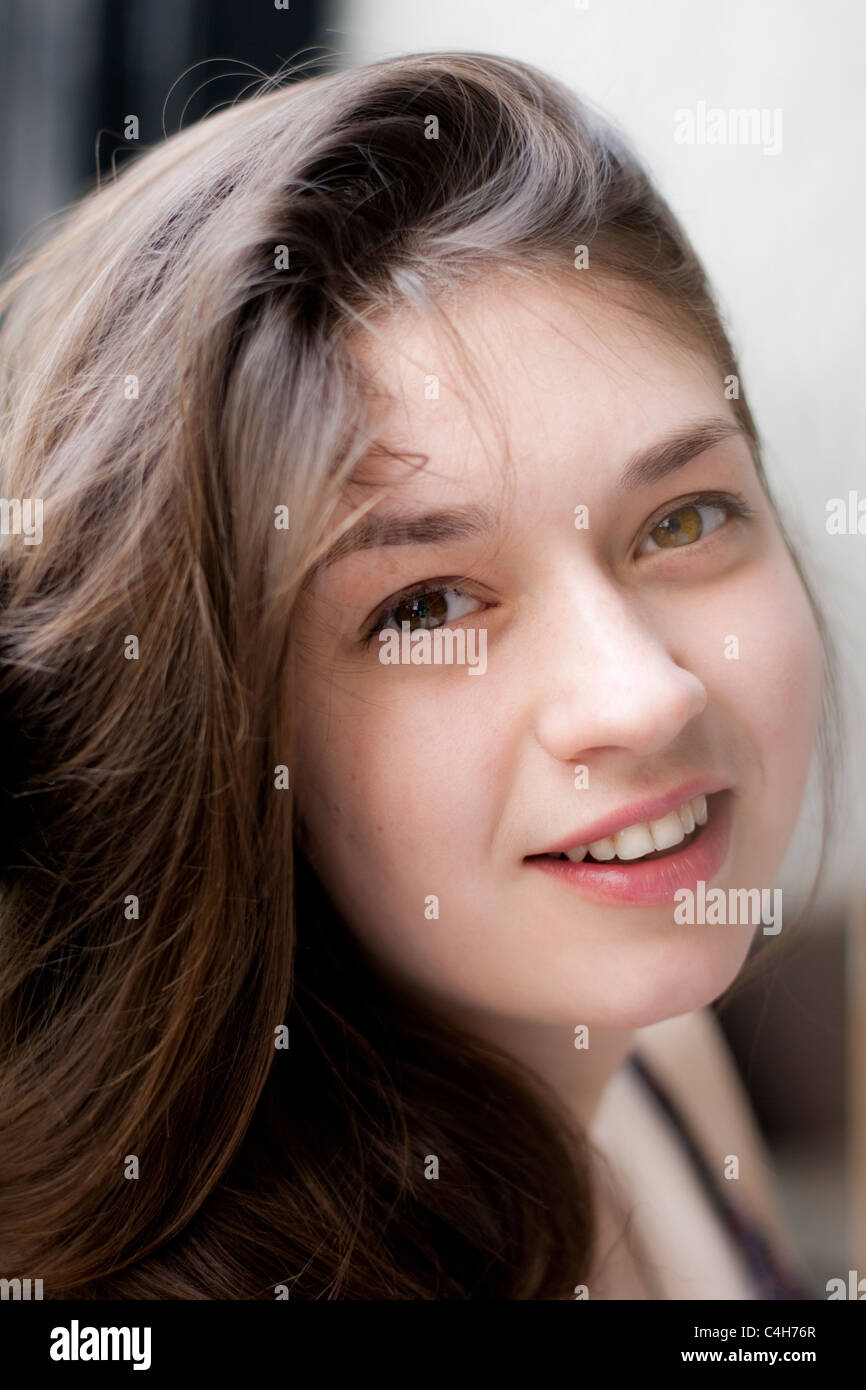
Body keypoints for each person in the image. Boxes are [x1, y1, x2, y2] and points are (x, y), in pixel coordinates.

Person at [0, 50, 839, 1299]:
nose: (642, 694)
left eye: (679, 519)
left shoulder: (653, 1052)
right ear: (222, 741)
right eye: (425, 606)